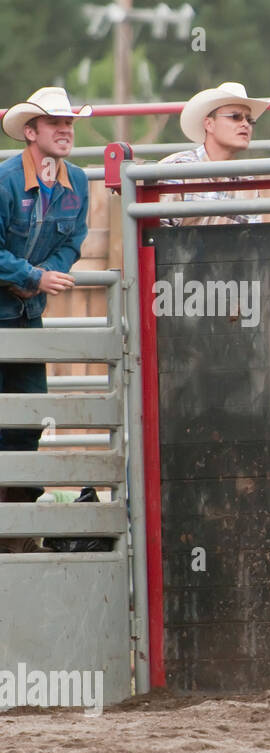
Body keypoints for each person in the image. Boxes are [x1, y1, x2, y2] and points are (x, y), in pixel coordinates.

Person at [0, 87, 92, 553]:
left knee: (28, 418)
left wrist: (40, 277)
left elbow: (73, 243)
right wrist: (33, 275)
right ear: (30, 132)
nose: (64, 130)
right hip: (6, 313)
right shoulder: (4, 182)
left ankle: (14, 532)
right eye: (54, 123)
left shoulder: (77, 182)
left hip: (24, 315)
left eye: (69, 123)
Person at [158, 82, 270, 227]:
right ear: (209, 124)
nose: (245, 124)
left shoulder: (248, 184)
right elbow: (158, 236)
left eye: (250, 120)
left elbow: (252, 240)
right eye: (235, 117)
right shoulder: (177, 169)